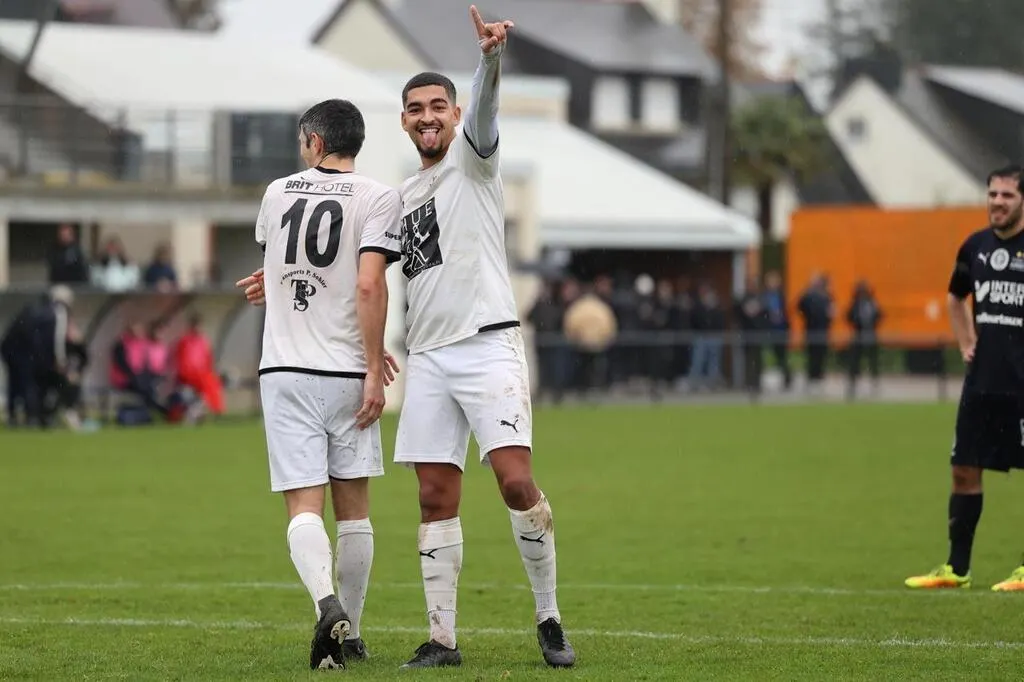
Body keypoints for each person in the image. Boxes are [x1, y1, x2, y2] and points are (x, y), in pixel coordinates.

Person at [392, 5, 575, 669]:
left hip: (488, 343)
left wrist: (489, 60)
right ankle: (443, 639)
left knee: (514, 482)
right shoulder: (406, 192)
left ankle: (549, 617)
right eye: (416, 108)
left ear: (453, 113)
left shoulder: (474, 160)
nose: (428, 115)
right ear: (405, 120)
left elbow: (487, 112)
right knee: (433, 496)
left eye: (438, 104)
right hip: (430, 357)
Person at [234, 98, 402, 669]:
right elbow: (366, 286)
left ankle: (327, 606)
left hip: (284, 371)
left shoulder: (278, 191)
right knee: (354, 510)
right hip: (346, 372)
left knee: (303, 505)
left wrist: (272, 281)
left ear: (312, 140)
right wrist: (375, 362)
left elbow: (292, 262)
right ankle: (350, 632)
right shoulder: (379, 196)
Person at [905, 164, 1024, 591]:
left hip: (1022, 386)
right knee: (964, 470)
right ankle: (957, 569)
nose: (997, 202)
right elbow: (955, 296)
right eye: (992, 194)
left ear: (1022, 200)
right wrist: (965, 340)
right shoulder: (973, 247)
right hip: (981, 382)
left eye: (1007, 195)